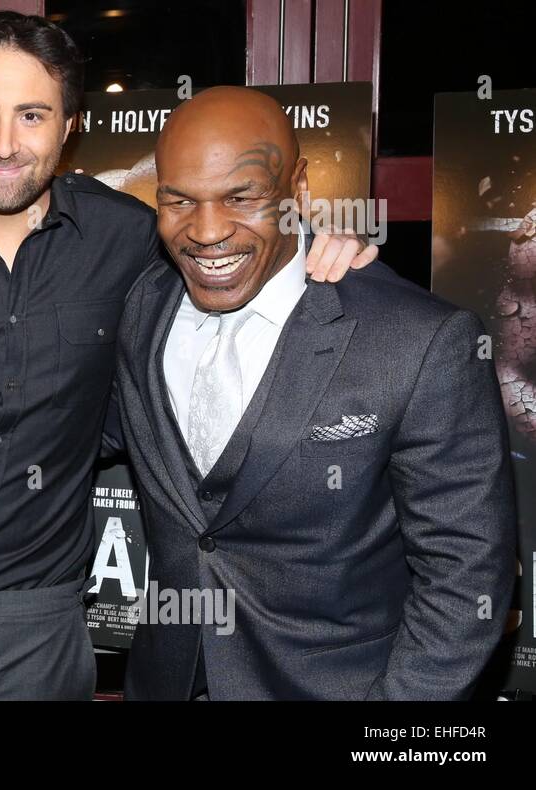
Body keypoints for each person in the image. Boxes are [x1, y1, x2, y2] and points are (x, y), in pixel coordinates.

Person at [0, 11, 374, 700]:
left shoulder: (128, 239)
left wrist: (329, 248)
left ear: (68, 128)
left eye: (32, 115)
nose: (5, 144)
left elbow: (237, 248)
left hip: (33, 638)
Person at [114, 86, 516, 700]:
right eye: (179, 201)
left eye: (241, 198)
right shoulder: (144, 304)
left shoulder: (419, 341)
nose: (207, 231)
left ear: (297, 190)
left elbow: (466, 575)